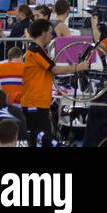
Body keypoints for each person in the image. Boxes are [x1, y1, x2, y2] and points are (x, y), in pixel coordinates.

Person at [21, 17, 88, 146]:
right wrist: (78, 68)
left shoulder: (40, 51)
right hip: (34, 102)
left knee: (42, 138)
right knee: (40, 139)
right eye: (50, 33)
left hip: (39, 101)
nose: (52, 36)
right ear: (43, 33)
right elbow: (55, 69)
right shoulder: (35, 51)